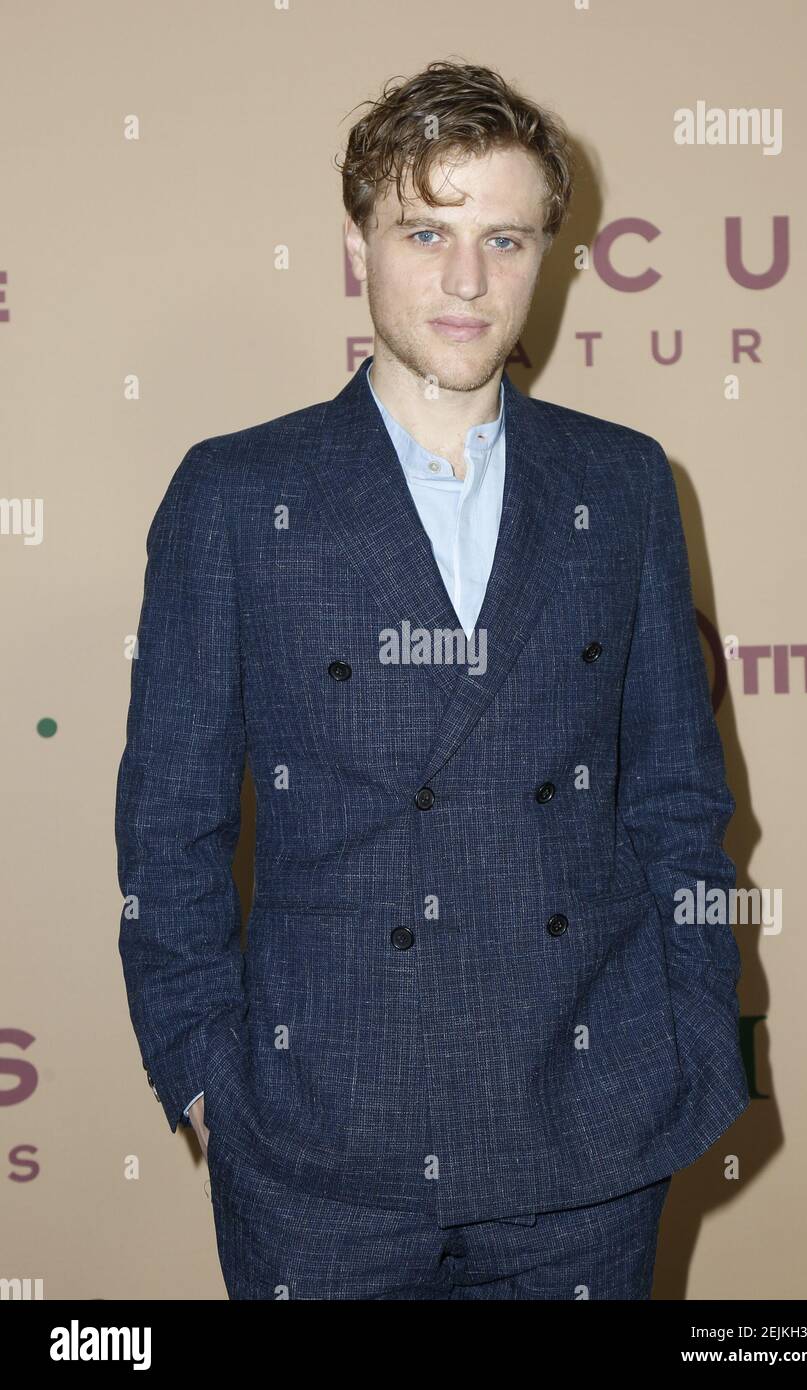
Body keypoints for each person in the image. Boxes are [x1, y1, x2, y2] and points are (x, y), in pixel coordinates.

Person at [116, 59, 750, 1300]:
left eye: (502, 237)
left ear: (546, 255)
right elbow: (167, 827)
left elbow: (678, 800)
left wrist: (689, 1033)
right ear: (359, 240)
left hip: (587, 1134)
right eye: (426, 231)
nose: (467, 281)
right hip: (316, 1151)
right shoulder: (238, 494)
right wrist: (202, 1070)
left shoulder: (620, 485)